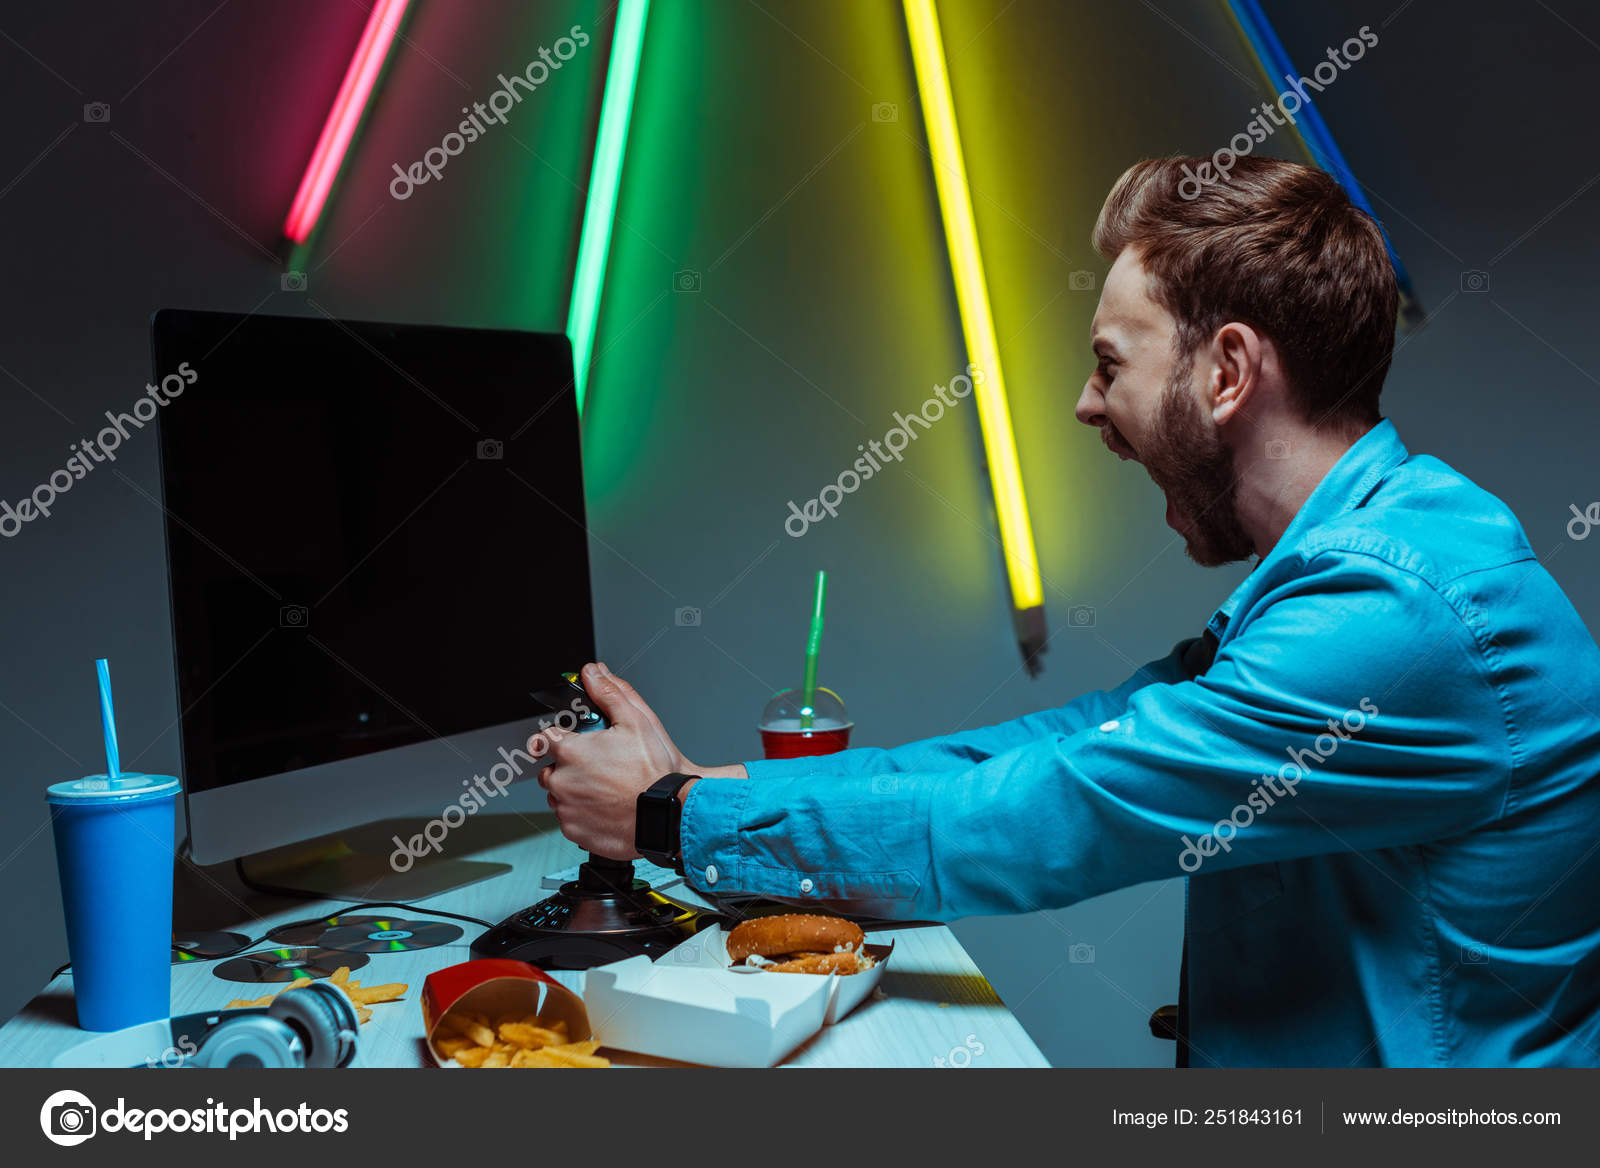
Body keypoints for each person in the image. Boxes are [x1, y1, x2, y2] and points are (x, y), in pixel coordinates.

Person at [536, 156, 1600, 1068]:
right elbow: (1074, 738)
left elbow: (1057, 810)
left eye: (1109, 363)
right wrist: (715, 792)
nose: (1087, 404)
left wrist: (670, 819)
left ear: (1226, 370)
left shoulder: (1391, 610)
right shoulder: (1355, 560)